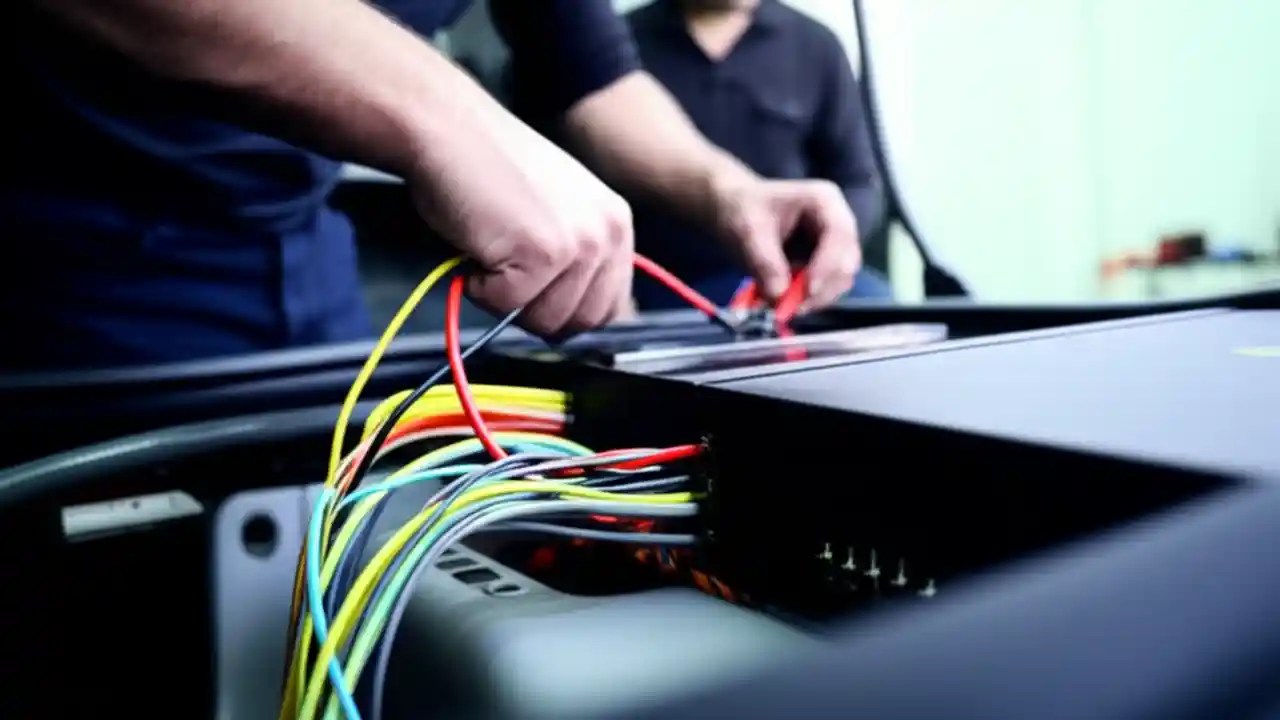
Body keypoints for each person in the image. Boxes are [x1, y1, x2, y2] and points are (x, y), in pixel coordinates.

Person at [1, 0, 859, 371]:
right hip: (64, 282)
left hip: (312, 280)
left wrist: (731, 189)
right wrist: (447, 119)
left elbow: (592, 75)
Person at [624, 0, 891, 309]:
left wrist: (826, 248)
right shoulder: (619, 49)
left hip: (788, 275)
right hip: (663, 280)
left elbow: (859, 180)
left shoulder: (815, 44)